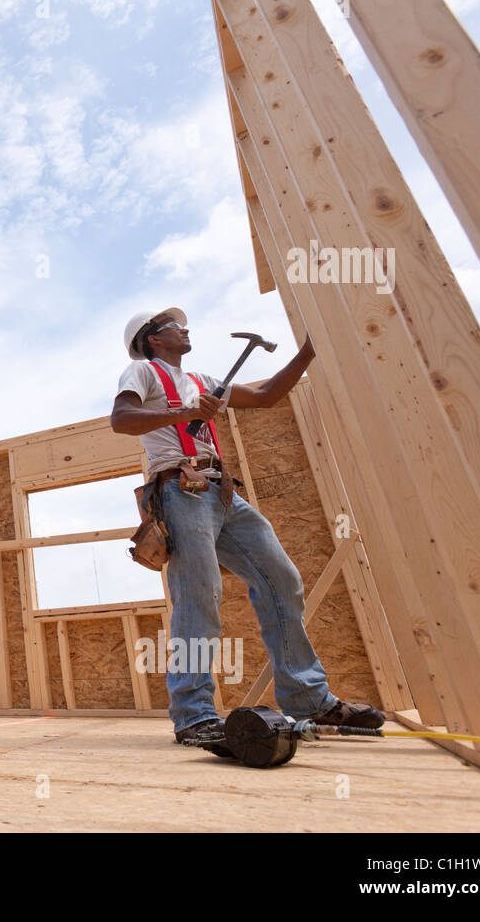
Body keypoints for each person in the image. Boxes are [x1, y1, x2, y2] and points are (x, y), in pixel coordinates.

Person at [111, 308, 384, 746]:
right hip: (180, 489)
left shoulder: (201, 379)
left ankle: (309, 697)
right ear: (153, 339)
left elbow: (267, 395)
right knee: (199, 596)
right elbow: (120, 421)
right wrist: (183, 412)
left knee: (282, 579)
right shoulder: (141, 372)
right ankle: (194, 715)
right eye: (174, 326)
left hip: (222, 492)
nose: (185, 328)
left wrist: (309, 350)